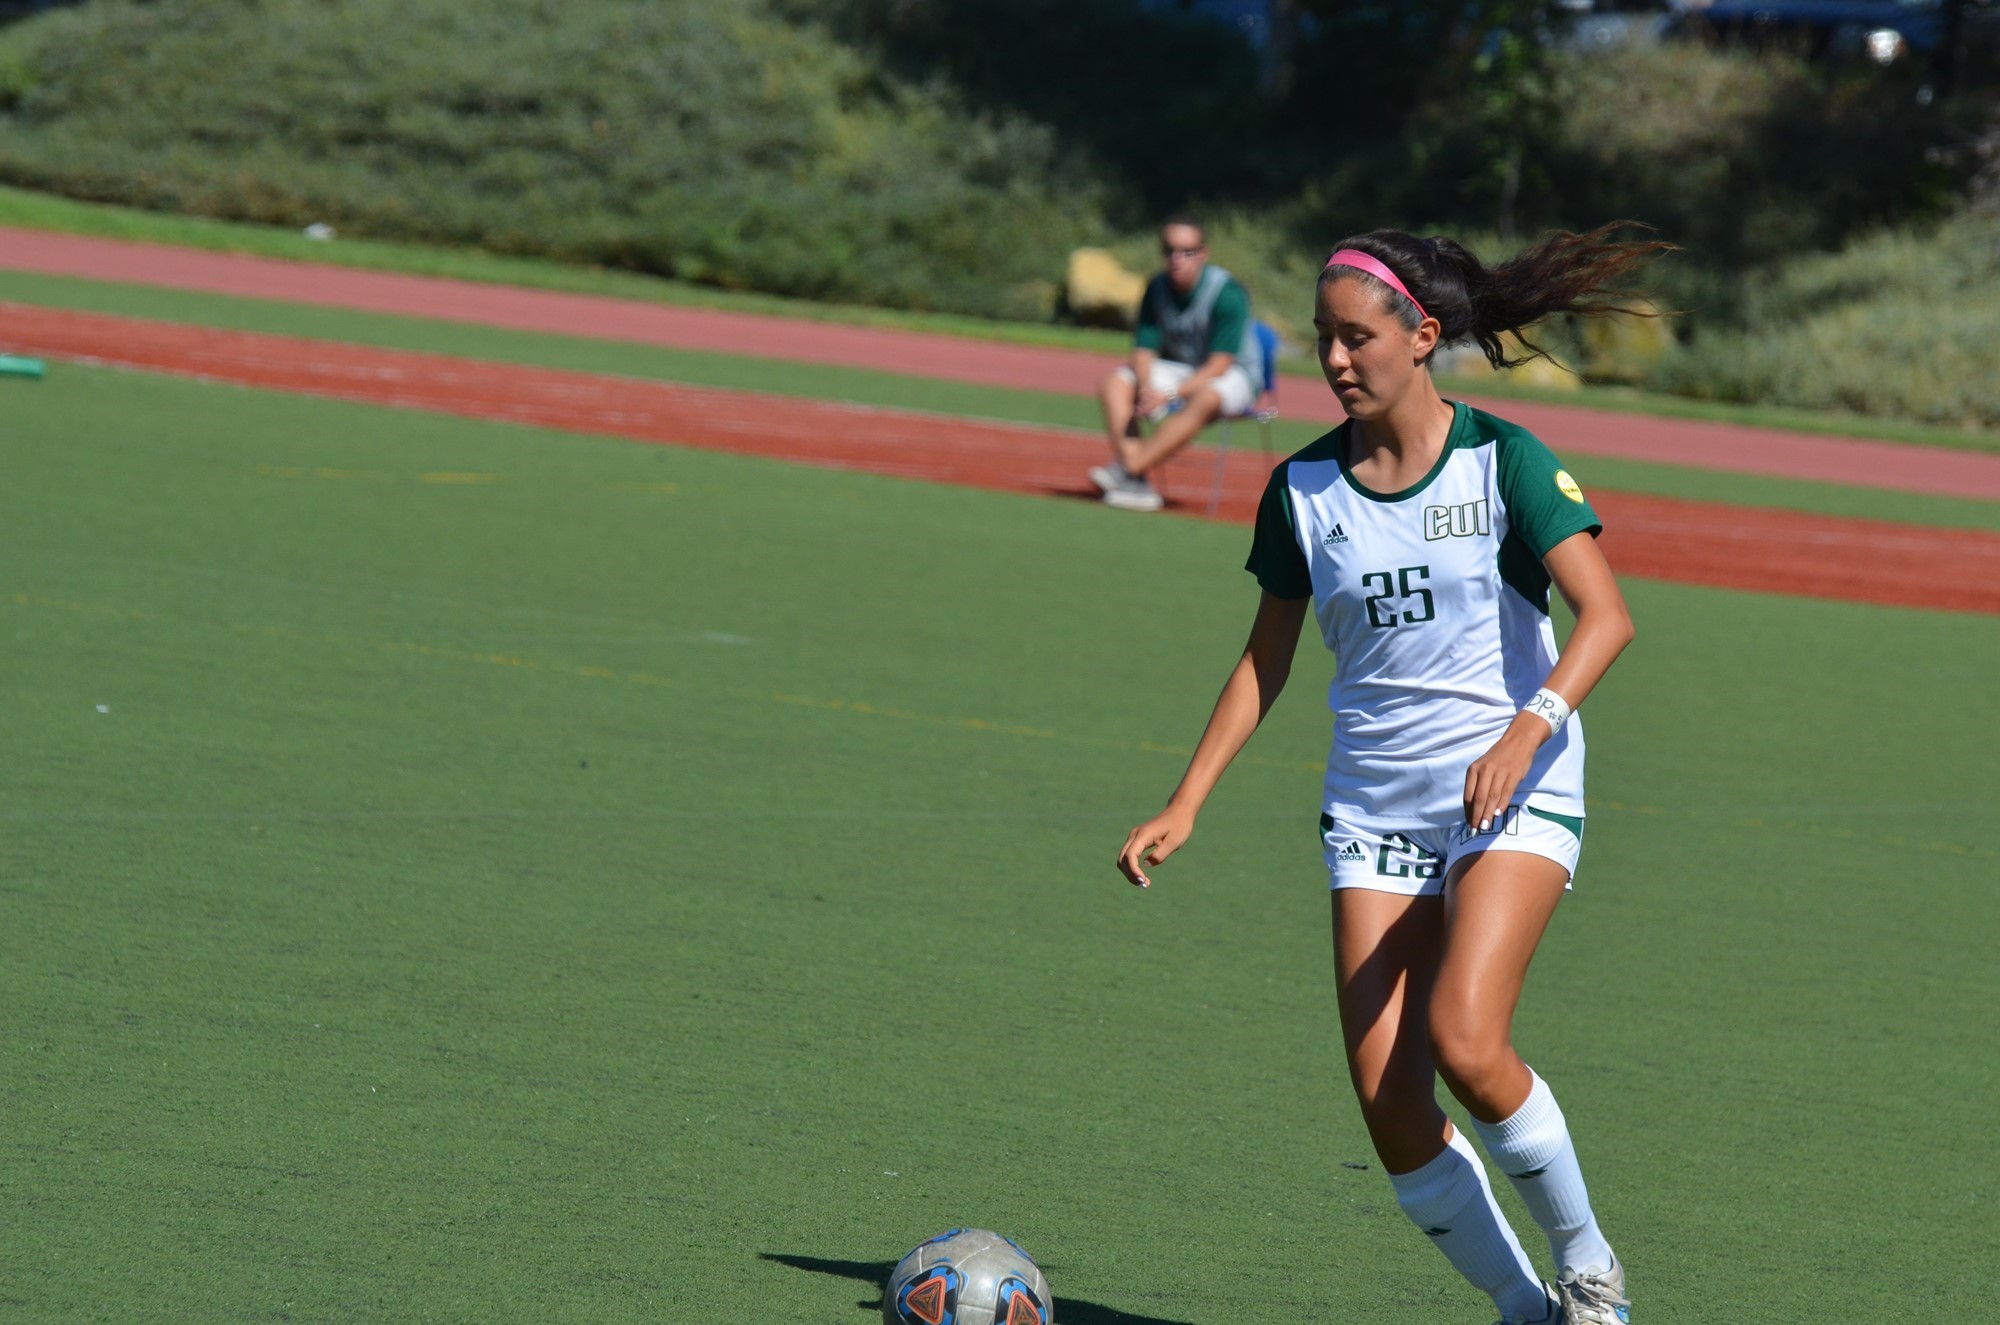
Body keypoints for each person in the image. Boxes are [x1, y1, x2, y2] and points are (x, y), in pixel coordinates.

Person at [1115, 224, 1669, 1324]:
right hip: (1373, 806)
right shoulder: (1302, 487)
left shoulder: (1501, 457)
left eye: (1355, 337)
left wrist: (1526, 731)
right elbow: (1264, 658)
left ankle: (1590, 1275)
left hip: (1513, 787)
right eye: (1322, 337)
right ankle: (1526, 1311)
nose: (1333, 358)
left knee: (1466, 1037)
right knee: (1390, 1106)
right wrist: (1186, 800)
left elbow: (1606, 617)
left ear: (1421, 336)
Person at [1089, 216, 1265, 512]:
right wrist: (1147, 388)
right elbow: (1143, 350)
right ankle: (1136, 482)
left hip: (1236, 373)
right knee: (1115, 382)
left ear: (1203, 253)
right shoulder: (1156, 287)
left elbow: (1220, 364)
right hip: (1181, 368)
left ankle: (1129, 468)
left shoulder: (1227, 292)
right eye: (1169, 250)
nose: (1176, 258)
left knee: (1207, 397)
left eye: (1187, 251)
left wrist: (1168, 395)